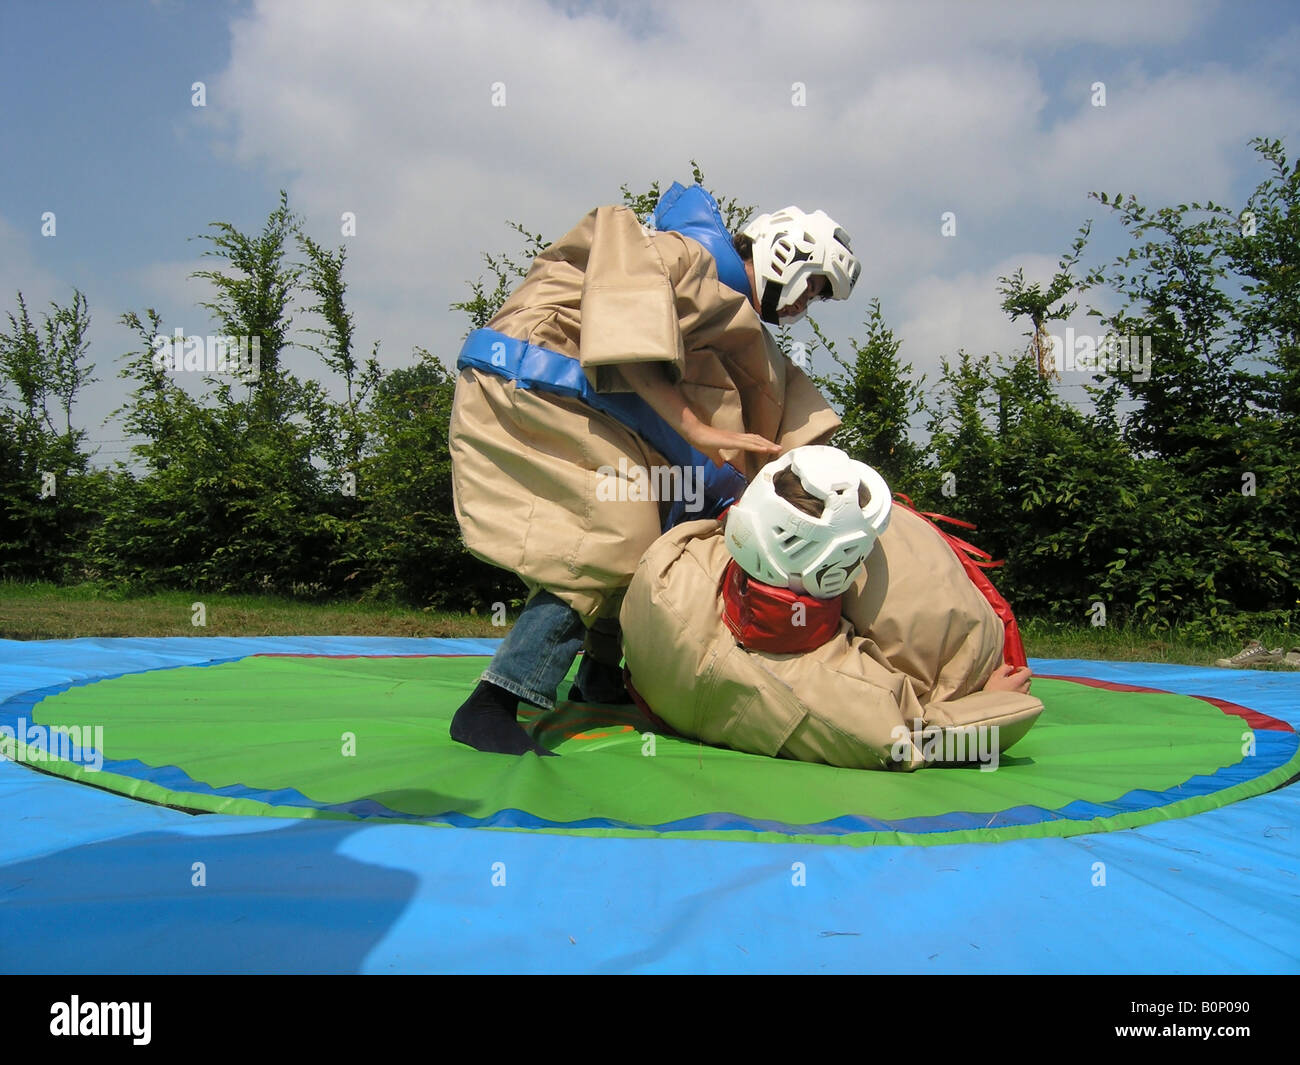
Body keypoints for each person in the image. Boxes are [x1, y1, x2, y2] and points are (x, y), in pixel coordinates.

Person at [448, 185, 862, 755]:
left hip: (579, 400)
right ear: (781, 250)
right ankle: (494, 701)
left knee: (652, 543)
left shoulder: (730, 312)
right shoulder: (681, 253)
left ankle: (598, 672)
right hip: (533, 381)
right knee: (609, 536)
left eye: (815, 298)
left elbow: (775, 390)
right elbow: (624, 327)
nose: (802, 305)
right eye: (811, 285)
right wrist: (694, 428)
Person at [618, 446, 1043, 770]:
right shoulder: (850, 697)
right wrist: (993, 703)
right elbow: (929, 740)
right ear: (841, 567)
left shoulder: (665, 569)